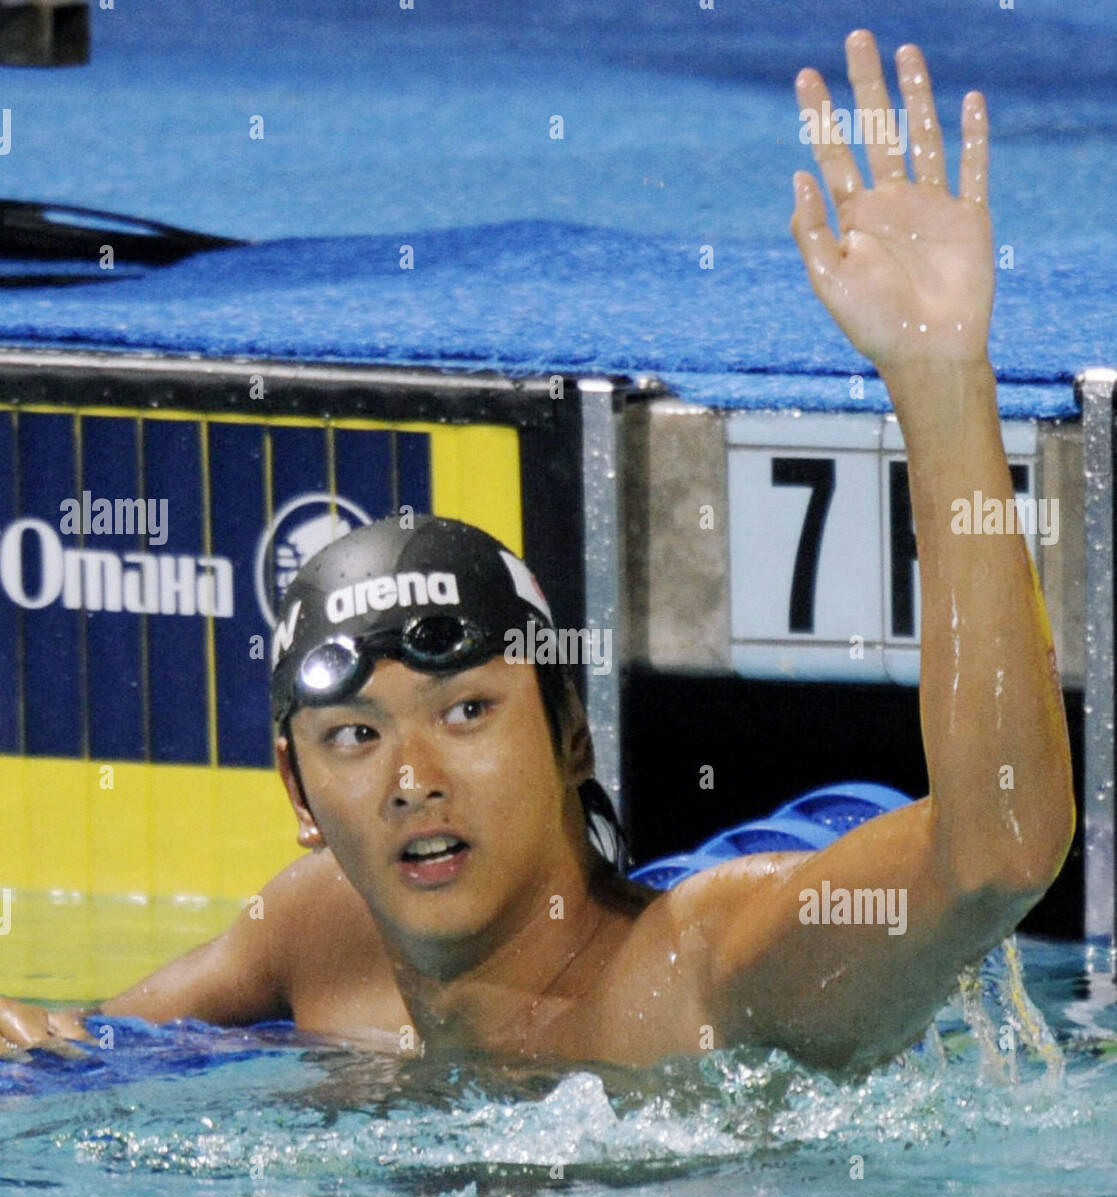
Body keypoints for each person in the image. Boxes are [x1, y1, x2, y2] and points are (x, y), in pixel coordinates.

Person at [0, 30, 1075, 1076]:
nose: (412, 781)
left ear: (573, 733)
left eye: (467, 710)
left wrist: (940, 383)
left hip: (798, 852)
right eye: (354, 735)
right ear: (295, 787)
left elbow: (1001, 849)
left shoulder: (708, 983)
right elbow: (66, 1049)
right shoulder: (320, 933)